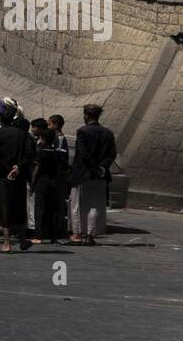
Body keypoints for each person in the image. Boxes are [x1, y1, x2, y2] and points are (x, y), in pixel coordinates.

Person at [69, 104, 117, 246]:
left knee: (77, 205)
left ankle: (77, 234)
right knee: (95, 205)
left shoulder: (82, 131)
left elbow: (84, 154)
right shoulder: (108, 133)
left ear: (86, 116)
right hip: (100, 175)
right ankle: (90, 235)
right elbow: (112, 154)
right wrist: (102, 168)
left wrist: (94, 167)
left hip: (83, 174)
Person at [0, 98, 34, 253]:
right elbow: (29, 155)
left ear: (0, 118)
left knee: (5, 207)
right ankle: (22, 238)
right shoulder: (23, 135)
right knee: (19, 207)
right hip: (19, 176)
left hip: (4, 177)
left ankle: (7, 242)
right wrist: (18, 167)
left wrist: (8, 168)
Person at [29, 121, 62, 244]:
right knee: (52, 210)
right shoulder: (56, 154)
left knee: (40, 209)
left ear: (43, 139)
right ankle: (53, 236)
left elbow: (36, 170)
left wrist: (32, 183)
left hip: (42, 183)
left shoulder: (41, 153)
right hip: (53, 182)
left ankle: (38, 236)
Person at [48, 114, 70, 239]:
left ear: (56, 125)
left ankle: (60, 230)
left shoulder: (60, 139)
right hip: (57, 175)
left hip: (59, 176)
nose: (48, 126)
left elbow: (60, 158)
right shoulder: (55, 138)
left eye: (49, 123)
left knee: (59, 204)